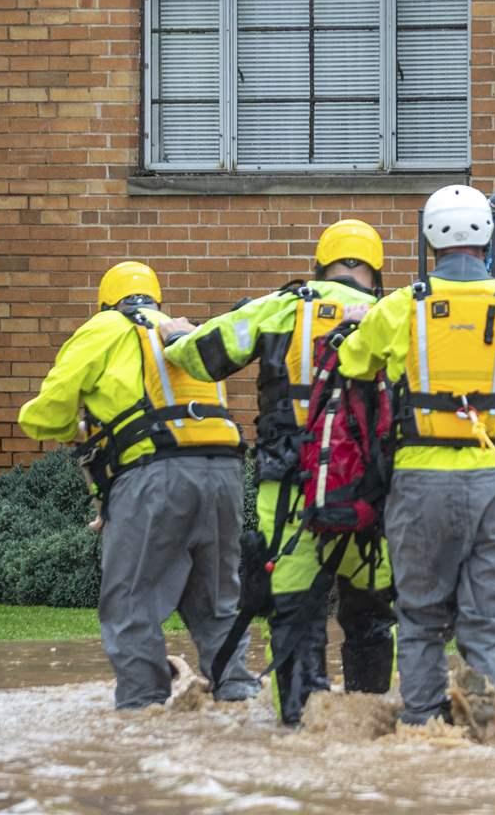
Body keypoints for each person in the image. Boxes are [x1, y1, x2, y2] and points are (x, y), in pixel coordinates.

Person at [337, 185, 495, 731]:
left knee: (420, 617)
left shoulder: (401, 306)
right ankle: (488, 728)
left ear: (430, 238)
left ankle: (421, 725)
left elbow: (352, 363)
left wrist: (356, 326)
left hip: (419, 481)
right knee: (492, 620)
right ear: (489, 236)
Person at [161, 220, 396, 726]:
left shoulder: (281, 308)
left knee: (295, 614)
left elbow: (201, 356)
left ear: (320, 266)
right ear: (375, 275)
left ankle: (299, 726)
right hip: (369, 500)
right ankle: (372, 723)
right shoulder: (394, 316)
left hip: (290, 493)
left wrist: (176, 335)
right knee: (372, 618)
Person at [17, 261, 258, 709]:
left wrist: (73, 427)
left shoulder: (105, 327)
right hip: (226, 473)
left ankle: (141, 710)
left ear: (106, 303)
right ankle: (239, 697)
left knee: (130, 603)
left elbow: (47, 411)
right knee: (217, 604)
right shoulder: (184, 331)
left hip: (156, 475)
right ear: (156, 300)